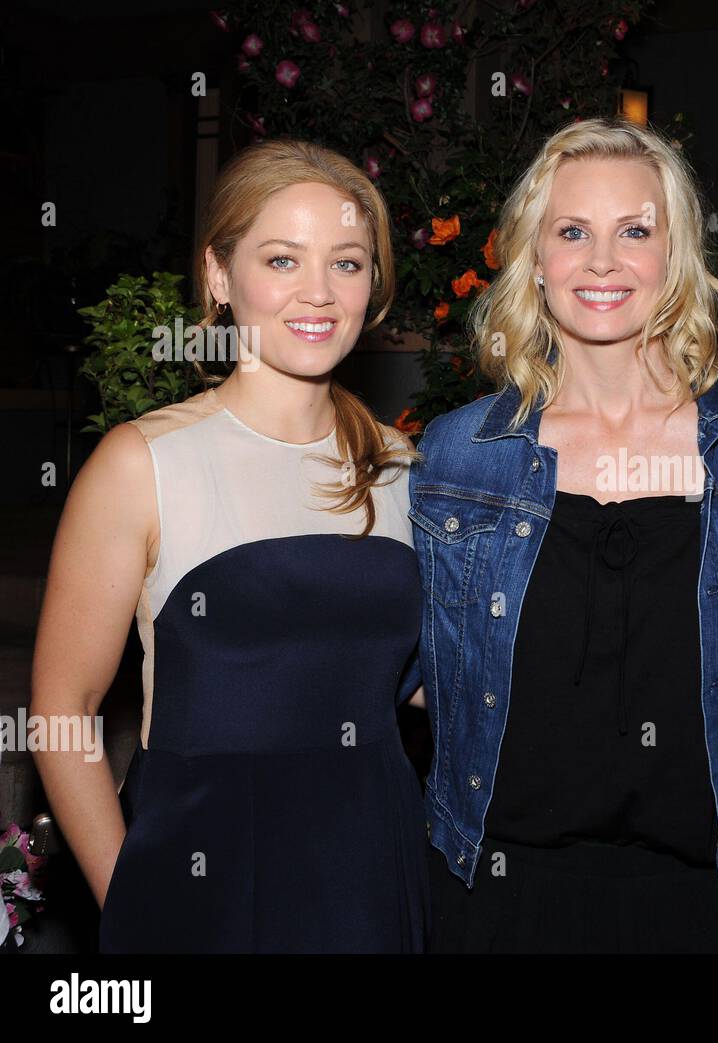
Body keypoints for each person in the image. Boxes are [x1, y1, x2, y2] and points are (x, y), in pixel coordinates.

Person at [410, 117, 718, 953]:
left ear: (675, 256)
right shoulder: (461, 455)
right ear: (533, 257)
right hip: (499, 897)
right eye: (572, 232)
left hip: (714, 895)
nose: (602, 261)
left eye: (635, 231)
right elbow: (411, 670)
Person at [31, 139, 433, 953]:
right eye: (282, 259)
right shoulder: (141, 464)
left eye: (347, 263)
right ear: (219, 275)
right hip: (199, 885)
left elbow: (425, 685)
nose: (318, 291)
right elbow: (60, 715)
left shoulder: (402, 467)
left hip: (372, 871)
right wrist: (135, 901)